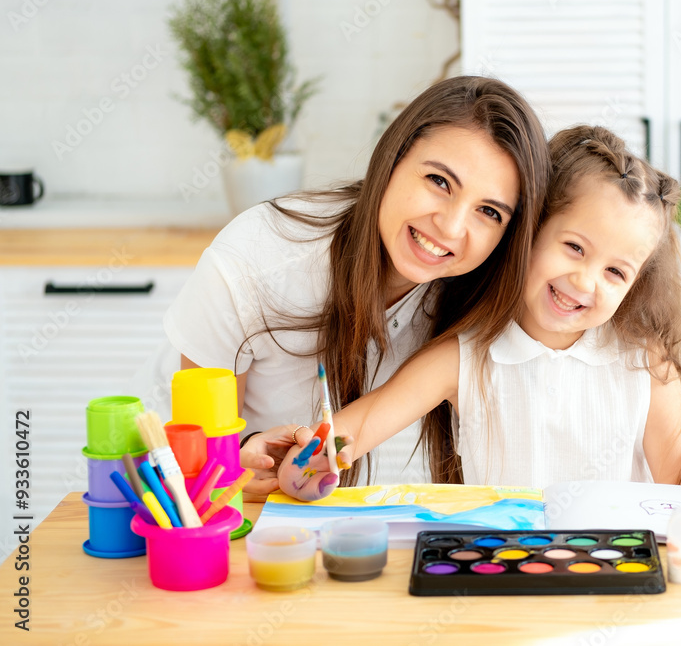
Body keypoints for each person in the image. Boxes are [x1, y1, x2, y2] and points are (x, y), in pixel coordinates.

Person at [161, 76, 551, 500]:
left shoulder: (477, 295)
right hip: (170, 493)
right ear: (393, 158)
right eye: (439, 181)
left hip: (297, 507)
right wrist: (235, 461)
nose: (452, 227)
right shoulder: (257, 260)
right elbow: (199, 461)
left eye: (489, 211)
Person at [280, 125, 681, 498]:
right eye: (574, 248)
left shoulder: (646, 364)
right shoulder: (464, 357)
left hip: (616, 574)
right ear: (528, 231)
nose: (586, 281)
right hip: (501, 573)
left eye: (615, 272)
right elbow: (356, 428)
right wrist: (314, 457)